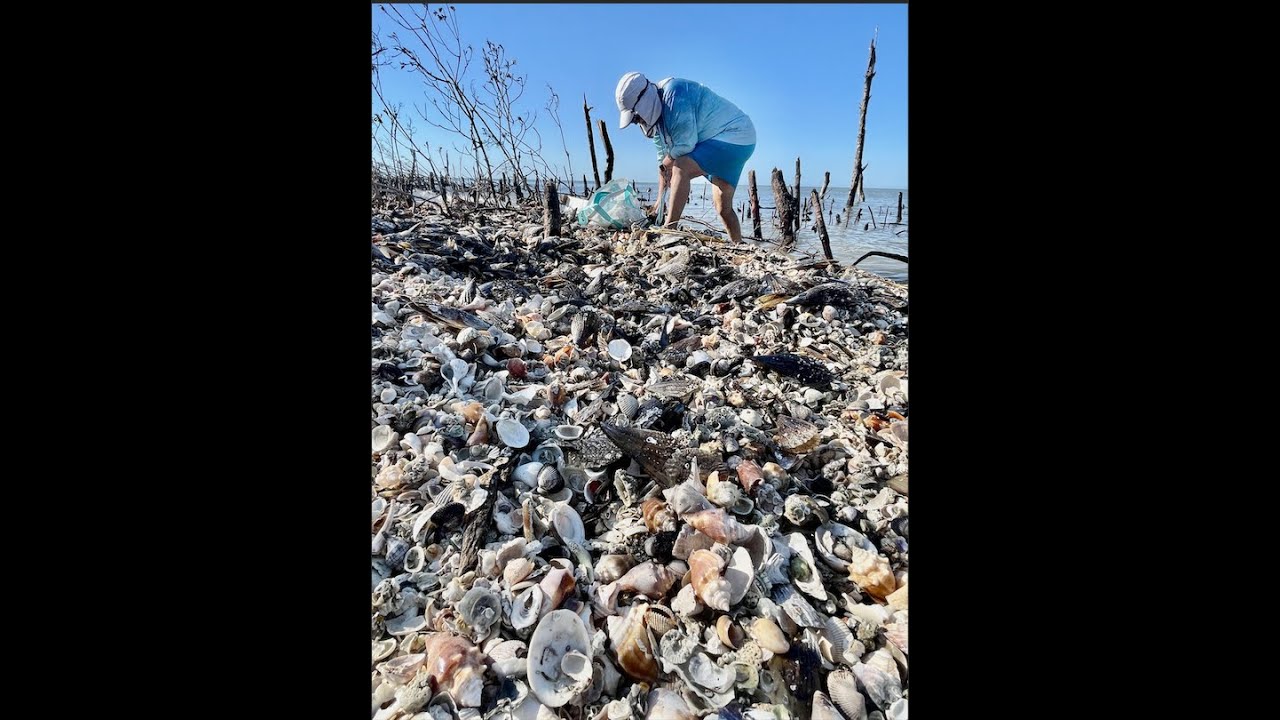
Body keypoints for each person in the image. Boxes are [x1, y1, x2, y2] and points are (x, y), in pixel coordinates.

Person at [615, 72, 756, 241]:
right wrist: (659, 201)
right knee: (723, 207)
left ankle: (669, 229)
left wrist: (666, 164)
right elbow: (663, 165)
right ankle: (738, 245)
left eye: (635, 117)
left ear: (643, 103)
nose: (637, 122)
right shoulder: (658, 125)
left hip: (735, 135)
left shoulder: (674, 93)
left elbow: (685, 145)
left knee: (682, 166)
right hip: (729, 142)